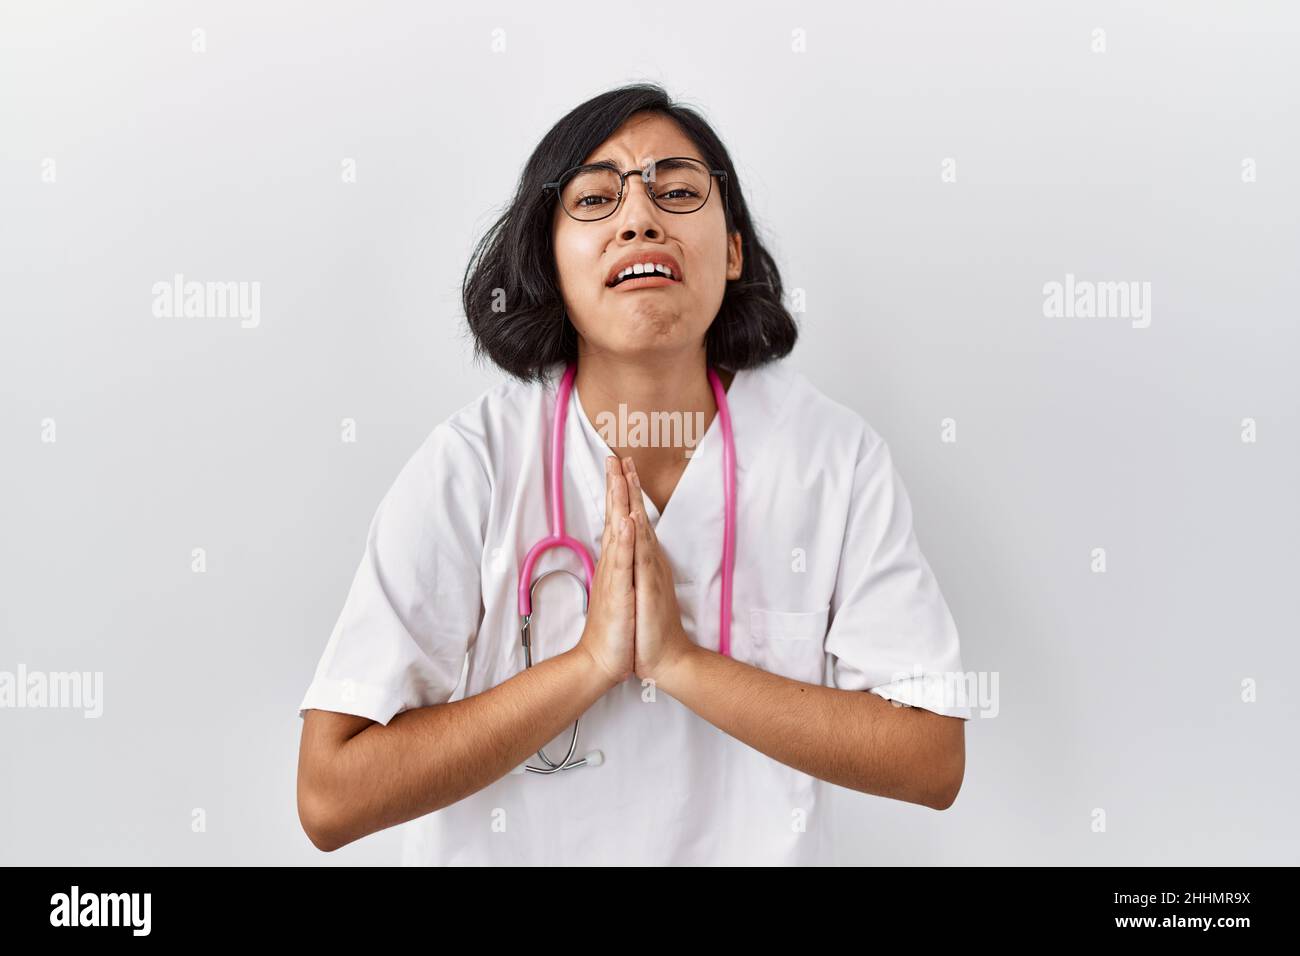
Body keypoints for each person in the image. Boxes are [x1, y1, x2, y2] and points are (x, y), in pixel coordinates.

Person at [295, 82, 969, 865]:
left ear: (734, 248)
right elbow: (329, 796)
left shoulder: (833, 460)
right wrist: (587, 666)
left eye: (679, 191)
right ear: (548, 257)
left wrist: (682, 664)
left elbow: (932, 757)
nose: (640, 217)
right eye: (594, 199)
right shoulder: (471, 467)